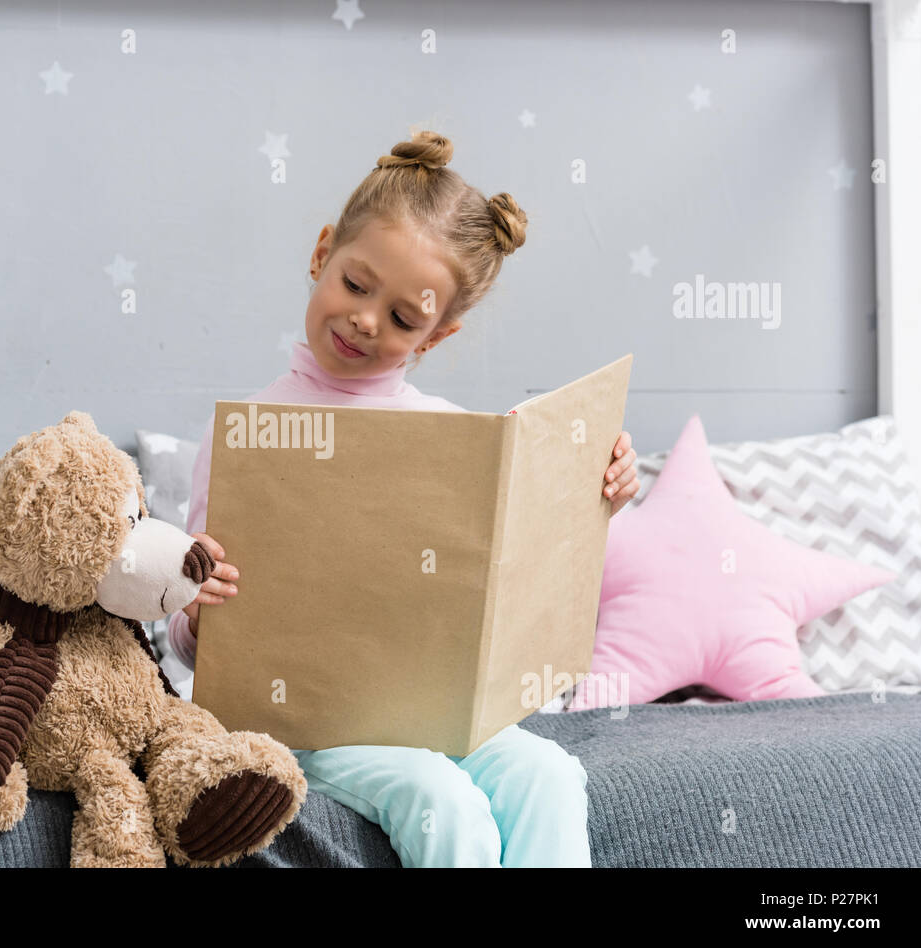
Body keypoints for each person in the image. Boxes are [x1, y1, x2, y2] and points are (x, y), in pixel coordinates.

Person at [165, 130, 639, 867]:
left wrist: (599, 484)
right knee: (441, 799)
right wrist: (198, 608)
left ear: (437, 335)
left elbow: (537, 572)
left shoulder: (458, 441)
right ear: (322, 252)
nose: (365, 320)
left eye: (403, 318)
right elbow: (192, 636)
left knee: (550, 772)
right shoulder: (248, 435)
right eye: (356, 285)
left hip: (432, 712)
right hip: (306, 720)